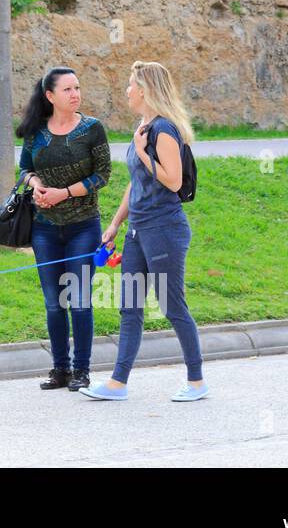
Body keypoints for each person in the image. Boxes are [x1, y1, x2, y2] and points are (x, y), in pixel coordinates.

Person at [82, 60, 209, 402]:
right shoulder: (143, 126)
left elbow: (173, 179)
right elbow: (135, 183)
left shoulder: (163, 130)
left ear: (144, 90)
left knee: (172, 306)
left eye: (130, 84)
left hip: (164, 230)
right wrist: (114, 224)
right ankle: (117, 384)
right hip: (137, 231)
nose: (126, 90)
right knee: (130, 307)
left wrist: (141, 151)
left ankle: (197, 382)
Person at [16, 67, 113, 392]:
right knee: (54, 303)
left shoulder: (92, 129)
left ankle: (82, 371)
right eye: (68, 89)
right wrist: (37, 185)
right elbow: (25, 168)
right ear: (50, 96)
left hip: (83, 227)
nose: (76, 94)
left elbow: (103, 175)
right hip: (44, 230)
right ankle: (60, 369)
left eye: (78, 88)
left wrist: (65, 193)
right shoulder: (36, 131)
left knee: (81, 301)